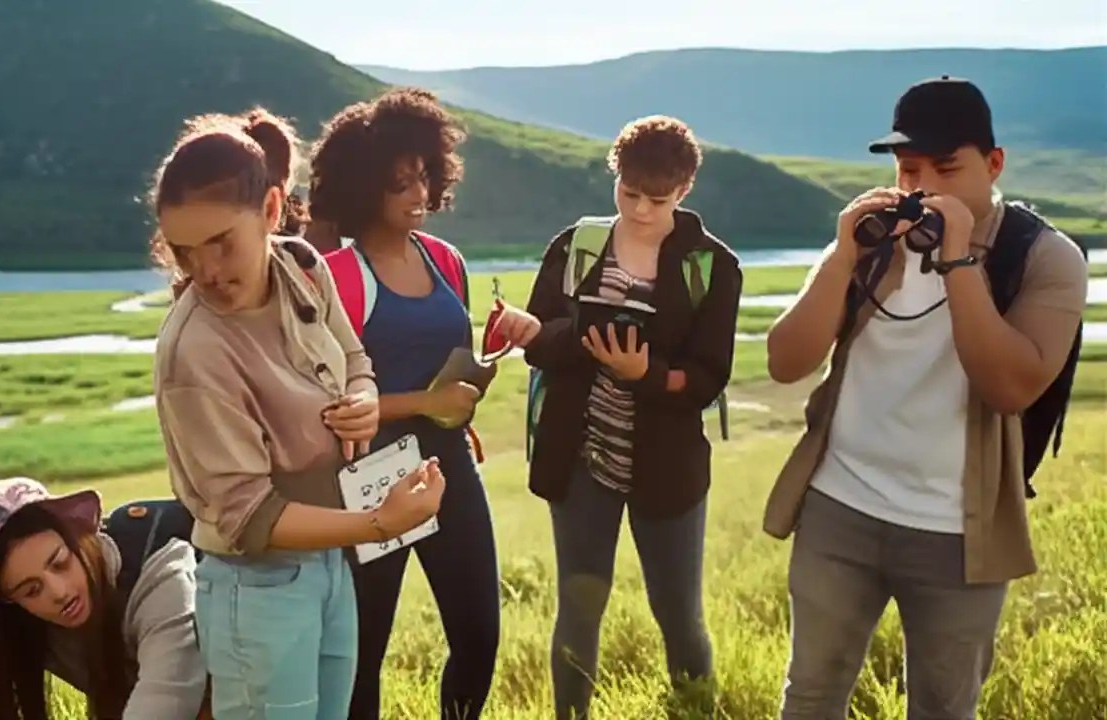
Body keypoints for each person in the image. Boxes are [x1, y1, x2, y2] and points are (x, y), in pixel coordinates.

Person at [762, 76, 1089, 720]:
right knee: (810, 697)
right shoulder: (871, 239)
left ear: (994, 165)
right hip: (840, 508)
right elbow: (785, 362)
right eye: (910, 168)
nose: (925, 187)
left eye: (948, 168)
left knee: (943, 708)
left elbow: (1009, 386)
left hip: (956, 534)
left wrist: (958, 258)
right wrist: (838, 259)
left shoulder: (1047, 257)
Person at [149, 106, 446, 720]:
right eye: (184, 251)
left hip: (330, 568)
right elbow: (248, 515)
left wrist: (364, 401)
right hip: (254, 590)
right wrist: (379, 525)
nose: (204, 271)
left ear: (270, 210)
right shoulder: (194, 353)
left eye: (219, 244)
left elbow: (355, 358)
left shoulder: (304, 268)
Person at [500, 115, 743, 719]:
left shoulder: (713, 266)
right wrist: (557, 334)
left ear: (685, 189)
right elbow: (539, 339)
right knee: (579, 609)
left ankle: (694, 711)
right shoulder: (577, 245)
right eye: (628, 193)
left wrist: (647, 376)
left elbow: (710, 376)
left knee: (679, 614)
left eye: (656, 199)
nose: (639, 209)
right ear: (616, 176)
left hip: (670, 468)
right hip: (578, 457)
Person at [306, 87, 500, 720]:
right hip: (369, 481)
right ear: (364, 189)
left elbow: (452, 369)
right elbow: (326, 405)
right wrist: (427, 400)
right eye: (400, 184)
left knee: (479, 634)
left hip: (448, 468)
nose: (420, 195)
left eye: (424, 178)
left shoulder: (446, 260)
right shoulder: (334, 276)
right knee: (364, 654)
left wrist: (478, 375)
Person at [0, 476, 209, 720]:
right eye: (31, 590)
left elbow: (167, 697)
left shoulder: (159, 571)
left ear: (75, 538)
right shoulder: (18, 624)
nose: (59, 592)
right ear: (9, 601)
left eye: (60, 563)